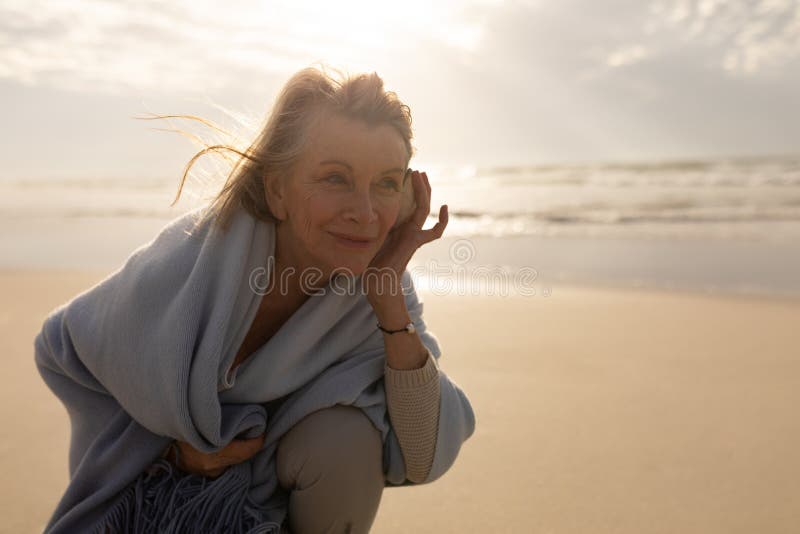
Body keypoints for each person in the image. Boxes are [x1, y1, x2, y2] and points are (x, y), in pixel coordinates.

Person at [35, 64, 475, 534]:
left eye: (386, 183)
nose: (365, 214)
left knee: (346, 438)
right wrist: (172, 451)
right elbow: (61, 346)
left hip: (265, 500)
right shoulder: (196, 258)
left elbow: (425, 449)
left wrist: (389, 308)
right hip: (153, 489)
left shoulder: (381, 286)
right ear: (278, 190)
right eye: (335, 178)